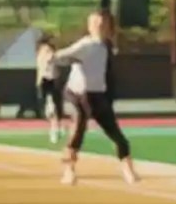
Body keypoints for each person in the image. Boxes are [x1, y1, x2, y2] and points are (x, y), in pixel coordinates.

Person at [49, 11, 140, 186]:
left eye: (102, 23)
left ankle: (128, 170)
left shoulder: (107, 46)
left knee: (118, 136)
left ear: (108, 26)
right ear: (89, 26)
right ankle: (69, 171)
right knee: (78, 130)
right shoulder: (85, 45)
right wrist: (52, 56)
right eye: (94, 23)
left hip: (98, 96)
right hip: (77, 95)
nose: (98, 26)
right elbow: (62, 55)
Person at [34, 34, 68, 143]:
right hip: (45, 81)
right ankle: (55, 127)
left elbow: (56, 61)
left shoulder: (53, 51)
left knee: (55, 107)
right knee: (48, 108)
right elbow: (45, 62)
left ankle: (55, 128)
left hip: (54, 80)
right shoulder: (44, 50)